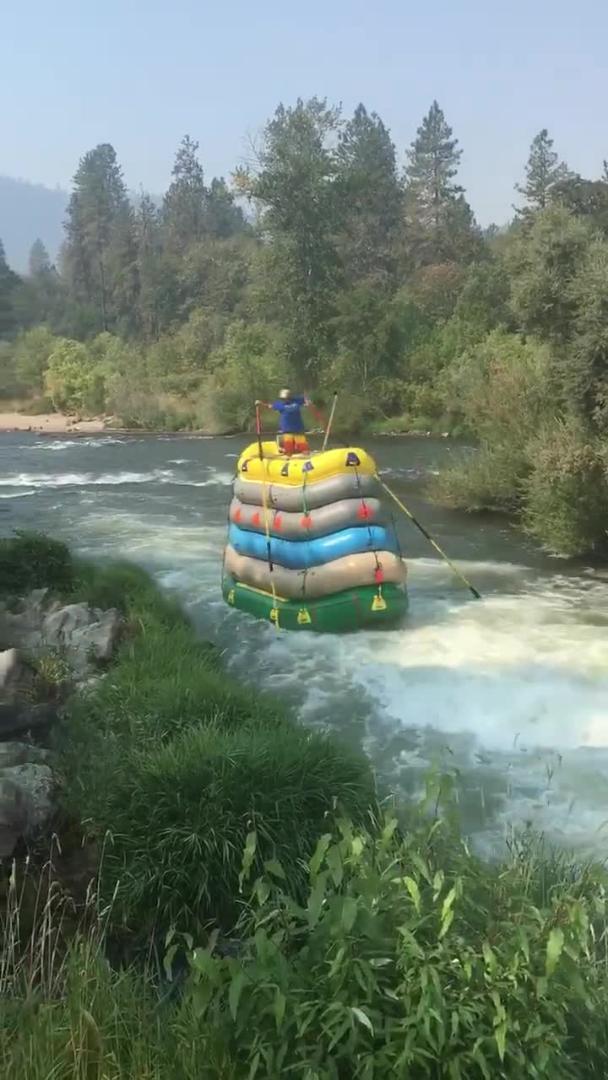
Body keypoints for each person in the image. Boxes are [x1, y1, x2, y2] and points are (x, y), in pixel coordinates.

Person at [256, 389, 311, 455]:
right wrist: (260, 403)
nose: (284, 400)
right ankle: (288, 459)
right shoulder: (279, 404)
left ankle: (306, 458)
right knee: (288, 449)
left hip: (298, 429)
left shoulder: (296, 400)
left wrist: (307, 399)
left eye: (286, 398)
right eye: (283, 398)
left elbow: (306, 399)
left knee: (303, 447)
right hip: (287, 430)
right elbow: (270, 406)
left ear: (289, 397)